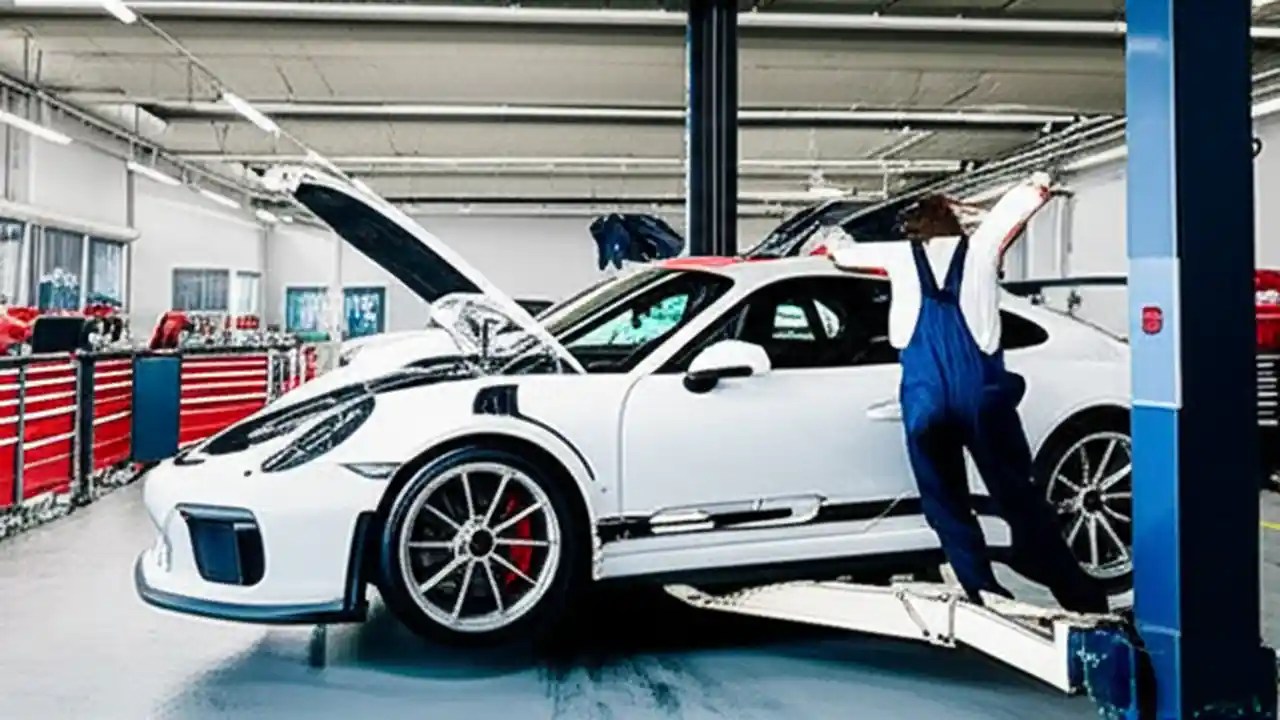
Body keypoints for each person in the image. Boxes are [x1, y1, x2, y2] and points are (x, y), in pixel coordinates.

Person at [826, 173, 1109, 614]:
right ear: (952, 222)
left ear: (912, 228)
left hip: (925, 397)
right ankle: (1082, 600)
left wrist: (834, 233)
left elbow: (841, 253)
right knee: (1019, 498)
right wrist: (1038, 183)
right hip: (981, 393)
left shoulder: (899, 259)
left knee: (945, 501)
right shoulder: (979, 250)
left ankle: (983, 592)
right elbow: (1013, 210)